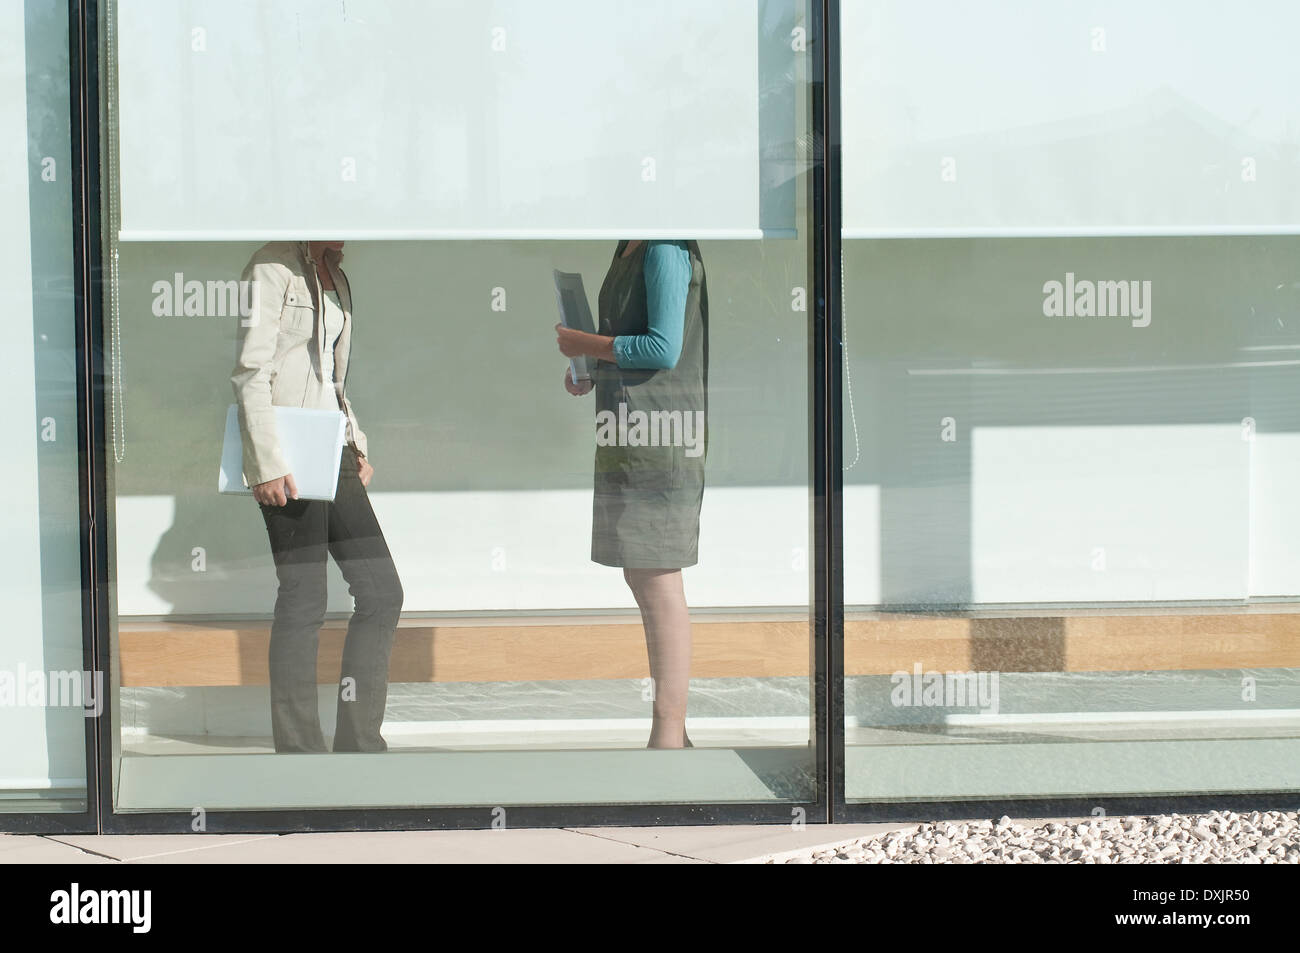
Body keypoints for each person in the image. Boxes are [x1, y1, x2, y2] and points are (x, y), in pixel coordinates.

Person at [232, 240, 402, 753]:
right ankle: (300, 754)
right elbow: (250, 371)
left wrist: (355, 442)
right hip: (287, 453)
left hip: (333, 445)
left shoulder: (337, 275)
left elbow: (330, 376)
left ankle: (359, 747)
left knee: (382, 592)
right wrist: (266, 461)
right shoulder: (271, 266)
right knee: (305, 597)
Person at [556, 239, 708, 749]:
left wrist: (585, 344)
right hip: (627, 431)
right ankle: (672, 734)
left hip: (659, 435)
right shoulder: (630, 246)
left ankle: (668, 738)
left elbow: (662, 348)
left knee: (657, 579)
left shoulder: (664, 248)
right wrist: (592, 366)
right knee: (644, 576)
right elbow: (632, 339)